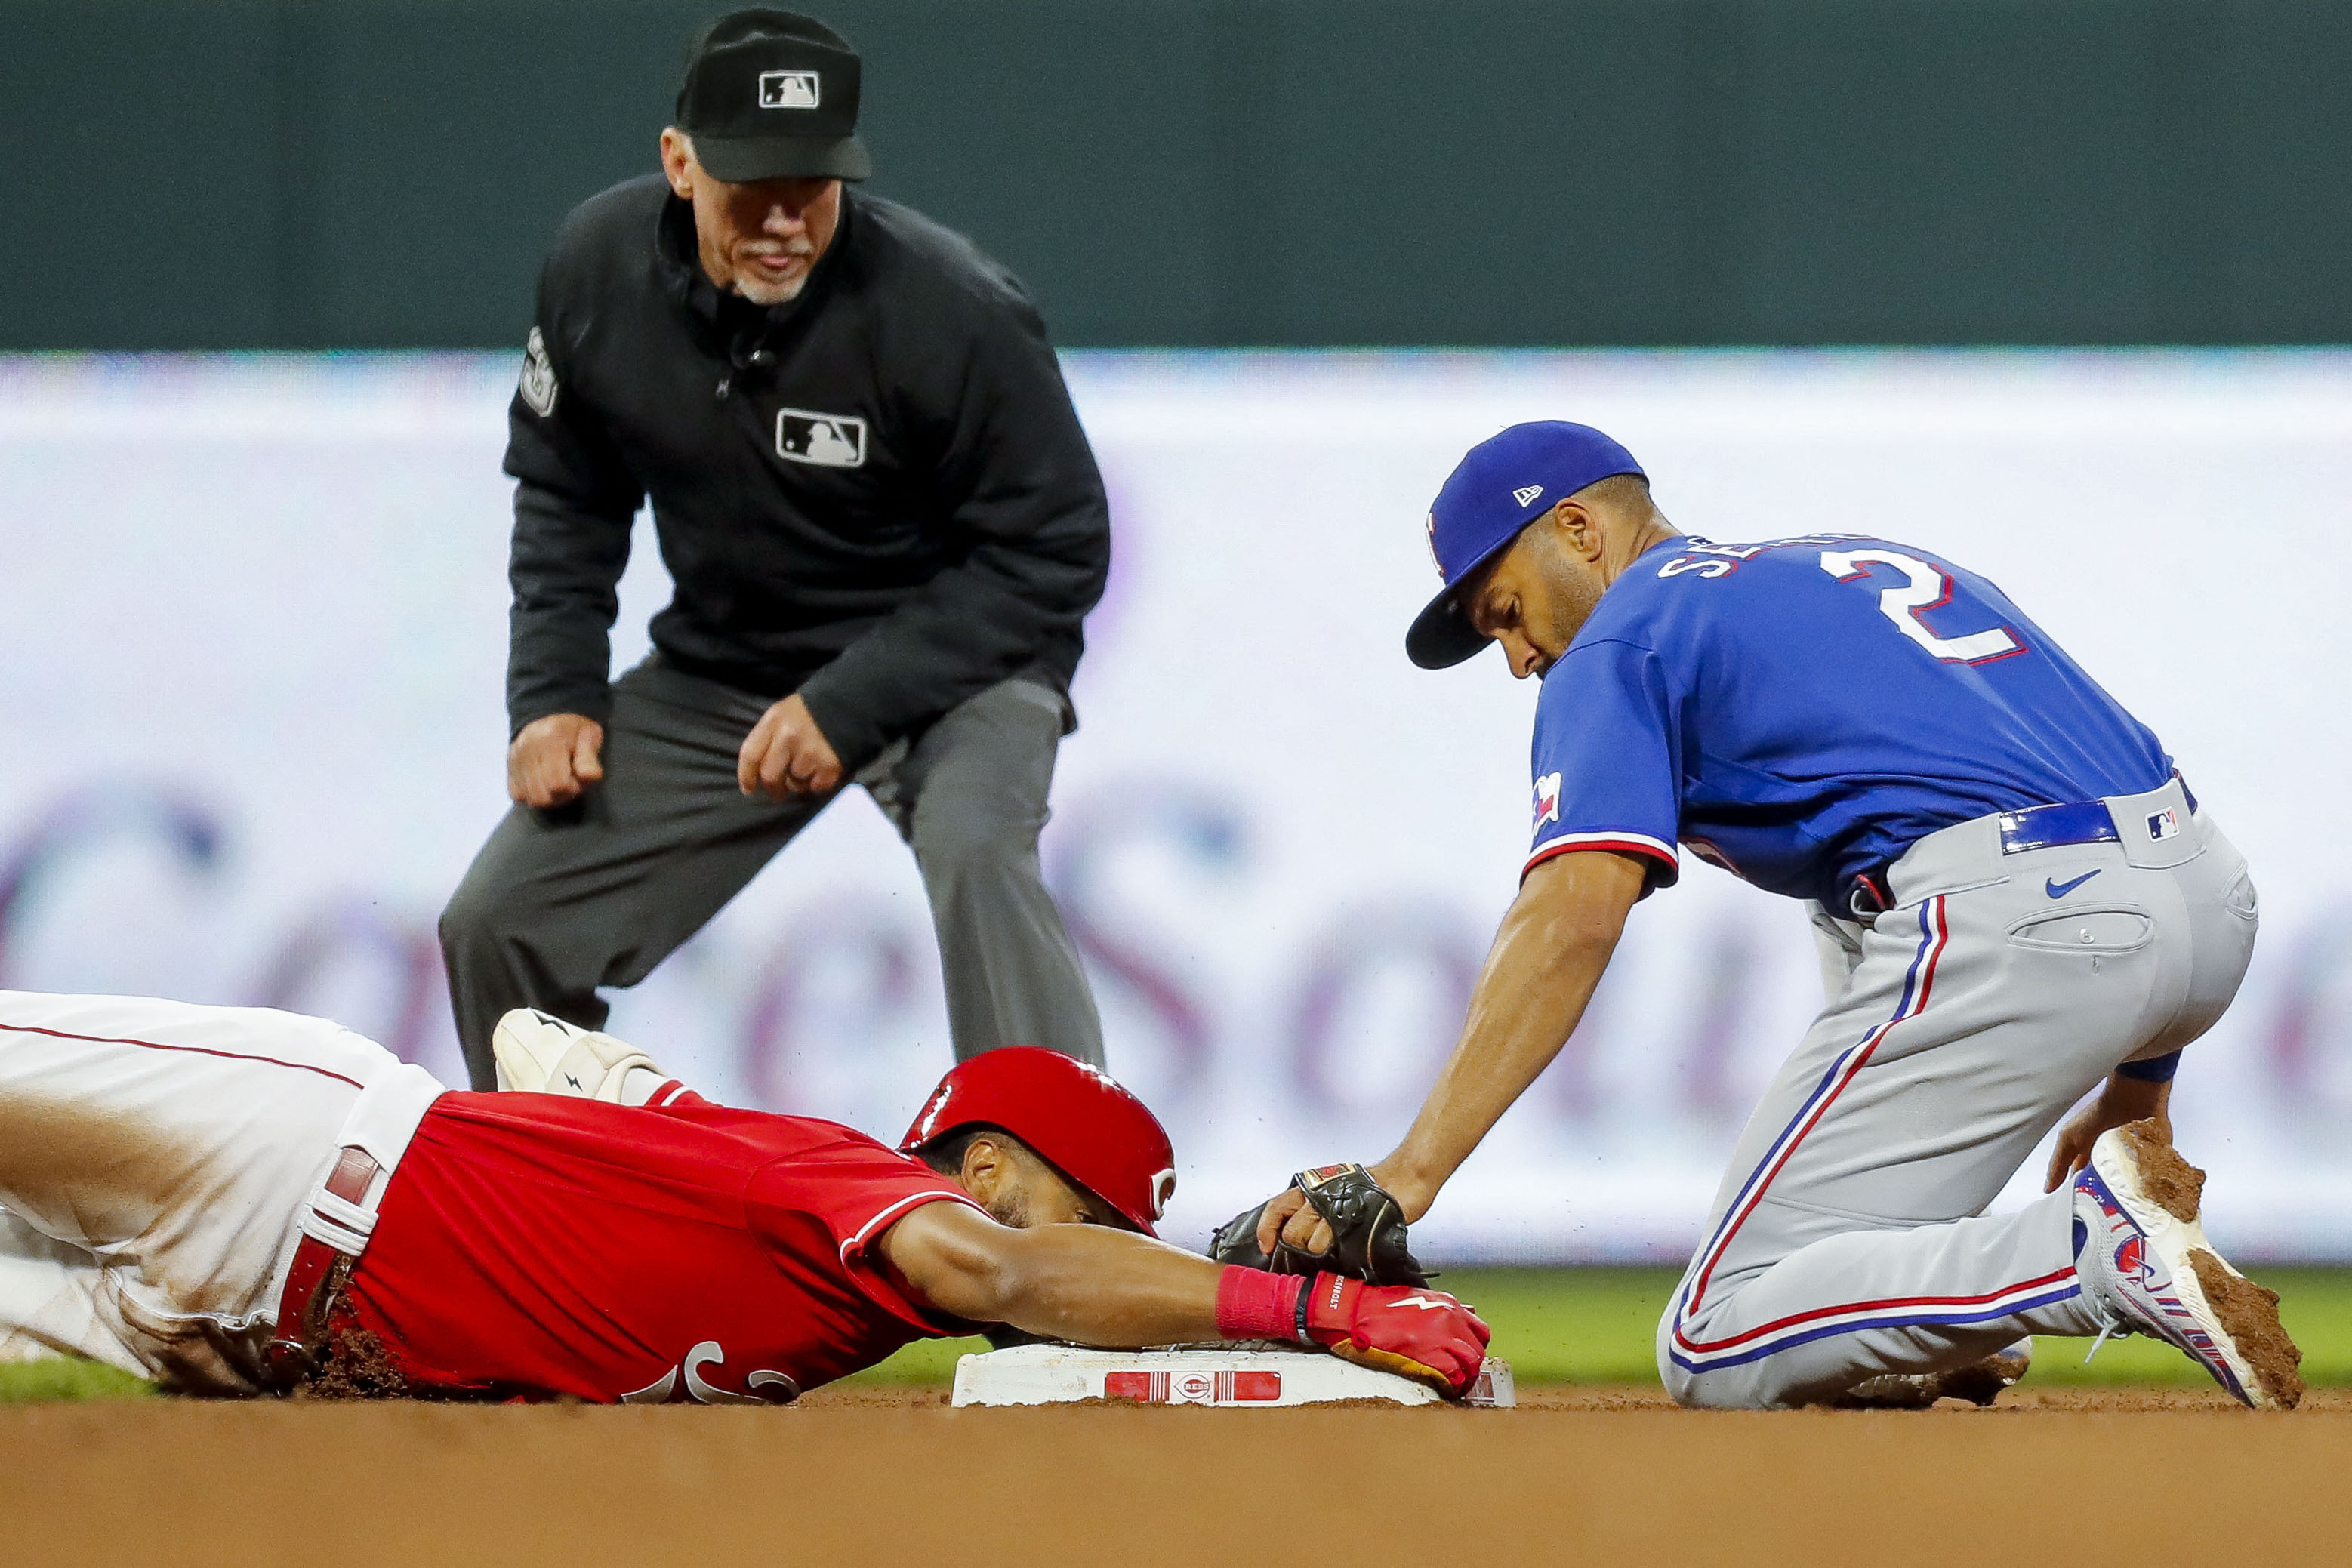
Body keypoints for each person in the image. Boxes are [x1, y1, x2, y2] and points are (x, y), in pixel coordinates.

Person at [1242, 420, 2303, 1411]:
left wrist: (1408, 1171)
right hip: (2207, 896)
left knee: (1712, 1333)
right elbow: (2100, 800)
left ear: (1579, 528)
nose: (1519, 659)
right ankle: (1912, 1325)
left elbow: (1570, 914)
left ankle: (2083, 1252)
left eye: (1508, 612)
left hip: (2028, 926)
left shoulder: (1623, 638)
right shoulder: (1834, 566)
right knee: (1848, 910)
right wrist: (2141, 1084)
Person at [439, 8, 1111, 1089]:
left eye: (815, 182)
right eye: (753, 183)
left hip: (952, 671)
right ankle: (562, 1222)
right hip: (731, 669)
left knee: (979, 848)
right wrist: (553, 691)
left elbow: (1057, 549)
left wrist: (847, 704)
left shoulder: (951, 308)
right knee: (502, 923)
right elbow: (567, 493)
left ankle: (1063, 1206)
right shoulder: (596, 273)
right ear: (679, 162)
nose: (787, 219)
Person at [0, 990, 1488, 1402]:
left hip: (235, 1337)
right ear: (980, 1171)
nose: (1104, 1265)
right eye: (1090, 1212)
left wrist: (633, 1103)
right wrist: (1320, 1307)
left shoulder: (795, 1232)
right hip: (278, 1148)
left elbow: (547, 1047)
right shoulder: (854, 1182)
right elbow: (1016, 1280)